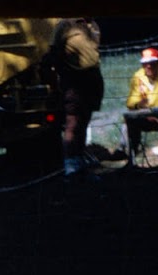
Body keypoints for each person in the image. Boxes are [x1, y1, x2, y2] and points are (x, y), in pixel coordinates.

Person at [40, 18, 104, 179]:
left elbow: (92, 51)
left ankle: (80, 162)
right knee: (73, 122)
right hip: (73, 79)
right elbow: (52, 55)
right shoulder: (64, 25)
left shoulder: (91, 24)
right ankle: (70, 166)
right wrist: (56, 79)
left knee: (84, 121)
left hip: (92, 77)